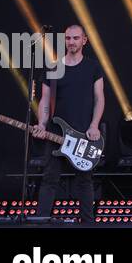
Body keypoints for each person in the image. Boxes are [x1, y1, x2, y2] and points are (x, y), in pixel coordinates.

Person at [34, 24, 105, 222]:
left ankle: (88, 223)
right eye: (68, 38)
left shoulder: (93, 67)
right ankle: (41, 222)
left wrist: (94, 125)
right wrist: (41, 123)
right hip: (56, 133)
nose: (71, 42)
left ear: (84, 40)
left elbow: (99, 98)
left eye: (75, 38)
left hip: (83, 134)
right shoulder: (54, 68)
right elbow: (45, 100)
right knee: (49, 179)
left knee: (84, 180)